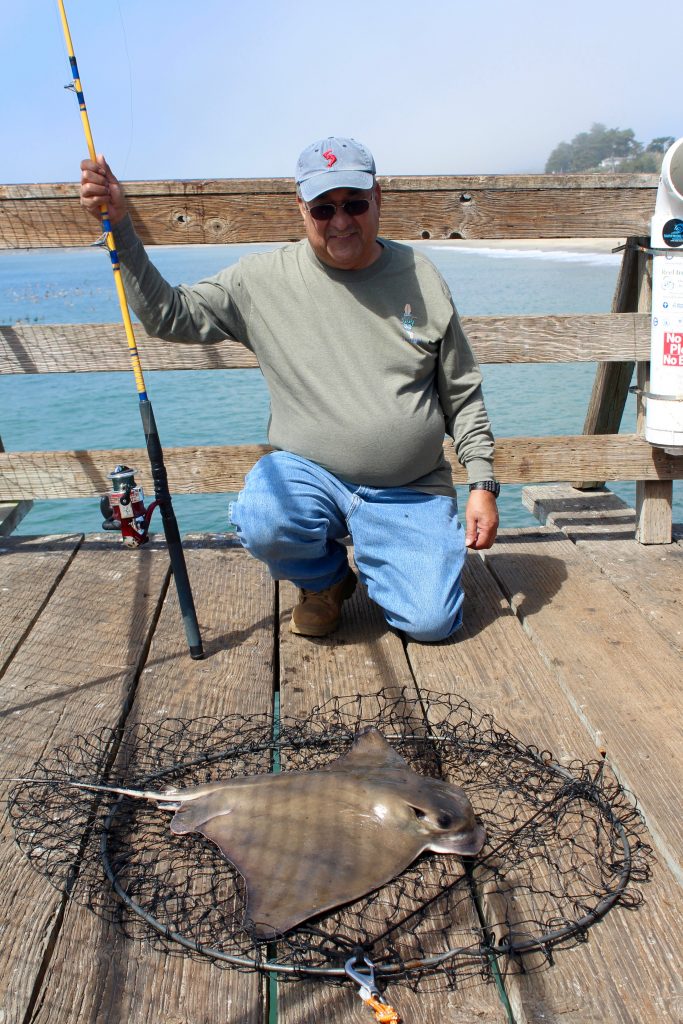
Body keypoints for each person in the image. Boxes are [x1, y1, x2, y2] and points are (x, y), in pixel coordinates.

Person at [80, 137, 499, 642]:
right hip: (309, 475)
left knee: (432, 624)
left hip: (409, 488)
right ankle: (326, 580)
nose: (341, 221)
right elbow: (168, 315)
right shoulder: (259, 280)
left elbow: (461, 391)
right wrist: (121, 227)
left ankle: (387, 553)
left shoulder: (421, 276)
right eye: (323, 208)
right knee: (263, 515)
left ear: (379, 198)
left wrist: (481, 482)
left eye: (354, 203)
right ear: (301, 208)